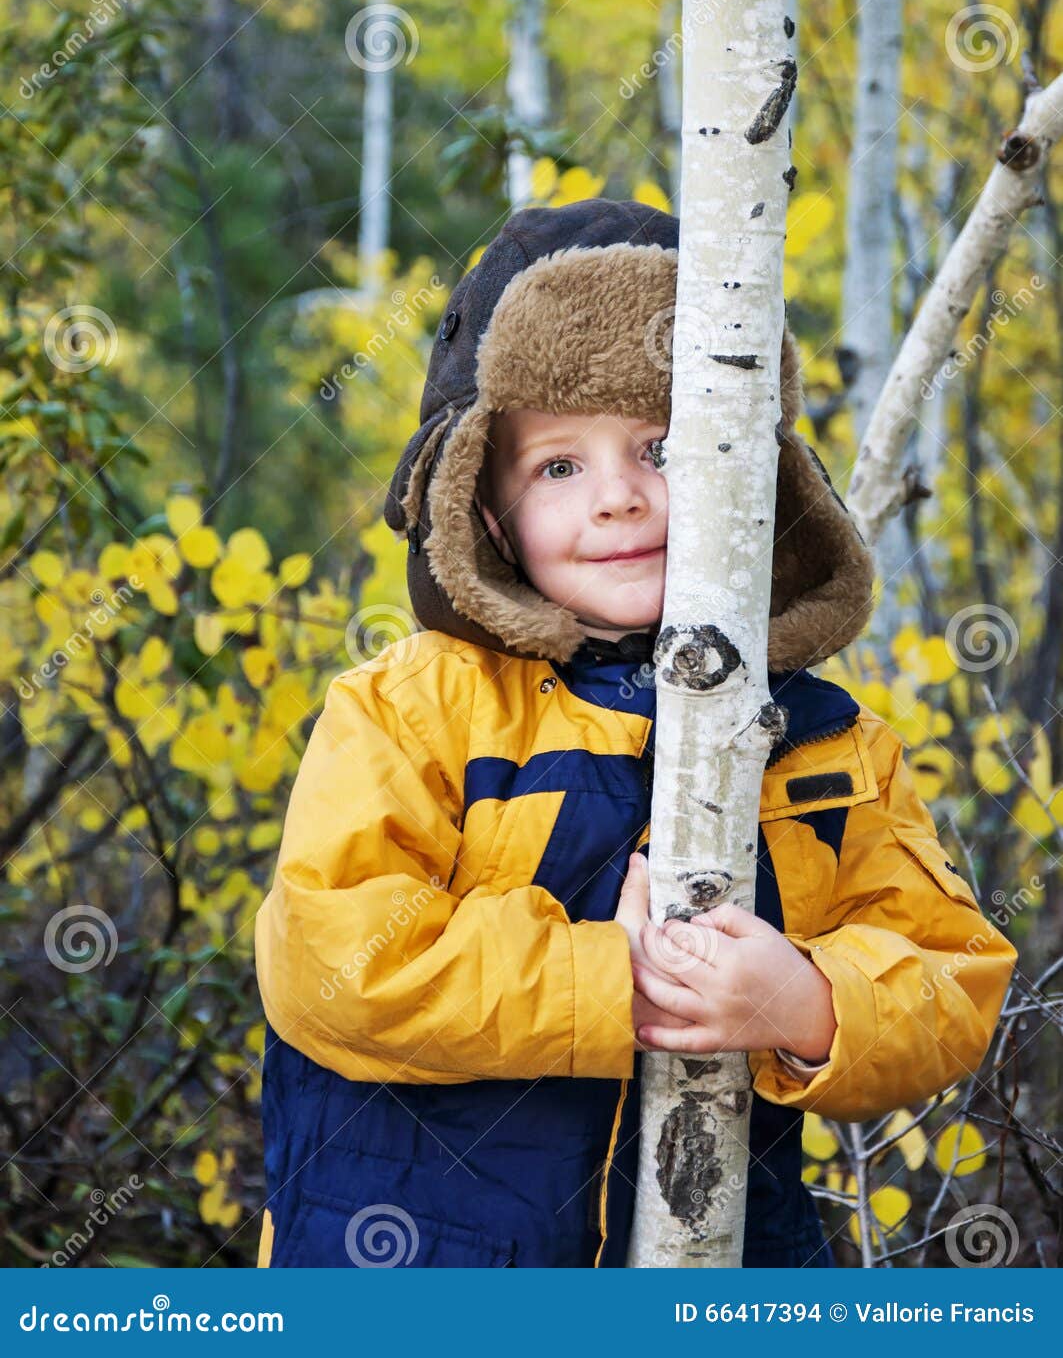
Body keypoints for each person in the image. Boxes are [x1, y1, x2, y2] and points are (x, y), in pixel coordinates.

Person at [253, 197, 1017, 1269]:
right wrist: (613, 979)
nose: (616, 498)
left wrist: (805, 1000)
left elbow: (950, 971)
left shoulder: (823, 743)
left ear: (755, 475)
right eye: (557, 466)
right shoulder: (412, 704)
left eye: (662, 446)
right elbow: (331, 959)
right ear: (485, 509)